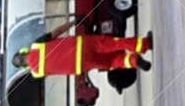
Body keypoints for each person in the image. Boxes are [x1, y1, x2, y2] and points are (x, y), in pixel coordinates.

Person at [14, 30, 152, 78]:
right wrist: (72, 23)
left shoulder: (36, 72)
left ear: (24, 67)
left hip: (80, 66)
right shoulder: (36, 45)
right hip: (80, 45)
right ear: (23, 52)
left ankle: (134, 61)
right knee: (113, 43)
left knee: (110, 62)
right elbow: (55, 33)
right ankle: (144, 44)